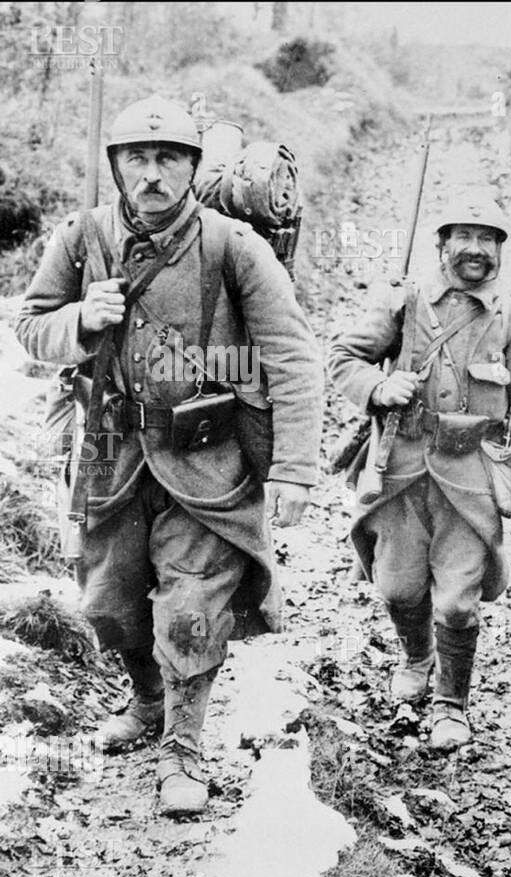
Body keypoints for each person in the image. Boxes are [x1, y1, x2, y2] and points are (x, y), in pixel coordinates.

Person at [14, 95, 323, 815]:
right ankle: (148, 699)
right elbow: (30, 326)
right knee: (108, 603)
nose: (153, 174)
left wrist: (294, 468)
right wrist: (79, 322)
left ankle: (184, 748)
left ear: (192, 166)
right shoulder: (81, 236)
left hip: (206, 458)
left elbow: (290, 355)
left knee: (190, 606)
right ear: (117, 166)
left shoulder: (231, 246)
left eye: (169, 158)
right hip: (108, 450)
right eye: (138, 159)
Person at [327, 197, 511, 752]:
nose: (475, 250)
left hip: (471, 478)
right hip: (401, 470)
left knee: (456, 602)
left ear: (500, 250)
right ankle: (415, 656)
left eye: (488, 239)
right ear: (442, 245)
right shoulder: (404, 304)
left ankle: (452, 703)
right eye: (464, 237)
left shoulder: (509, 316)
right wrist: (378, 388)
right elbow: (342, 358)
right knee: (398, 586)